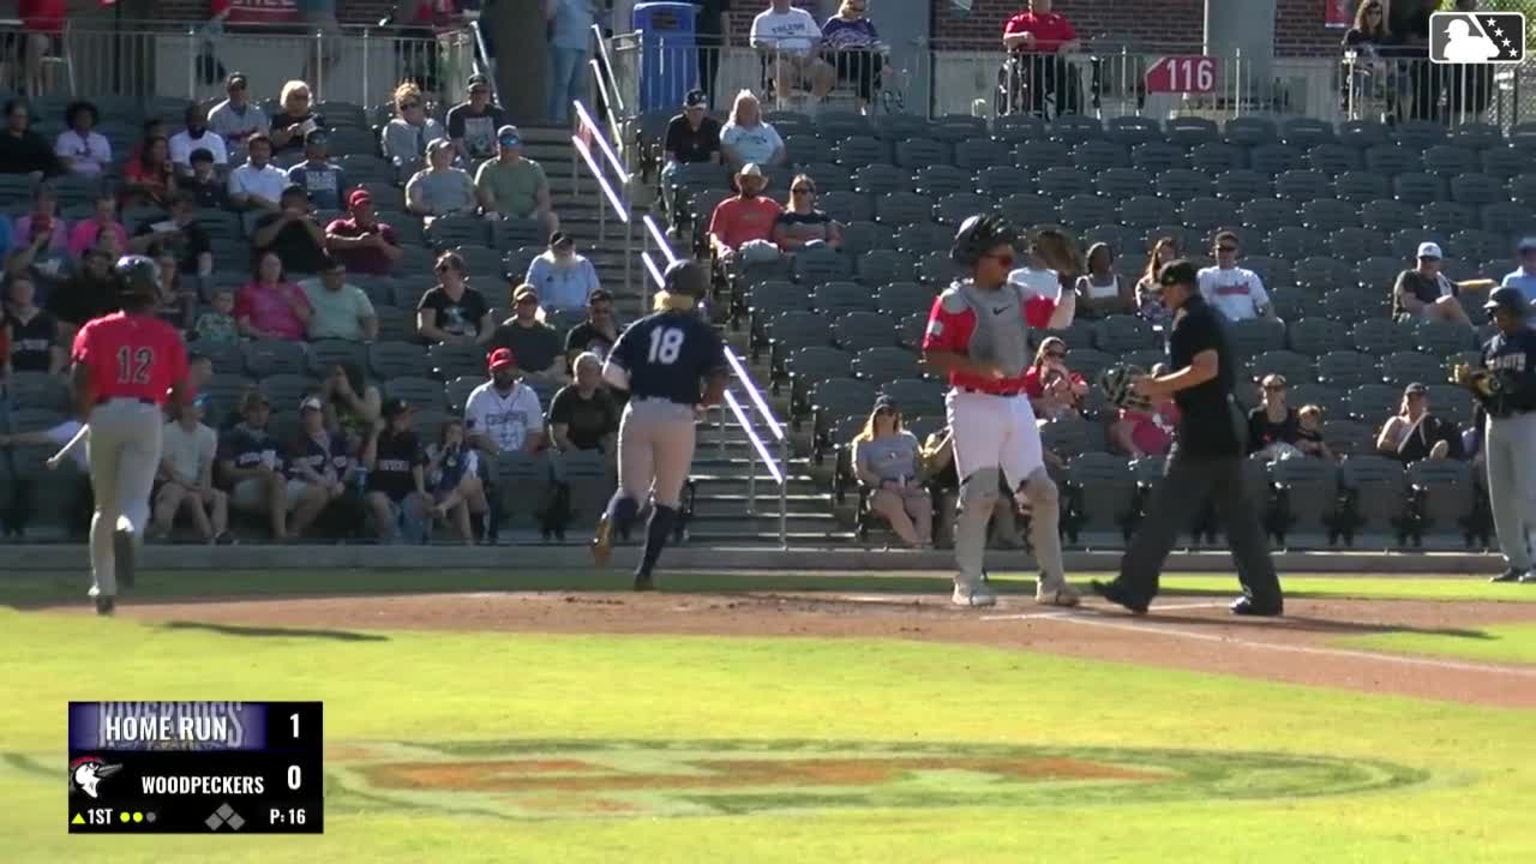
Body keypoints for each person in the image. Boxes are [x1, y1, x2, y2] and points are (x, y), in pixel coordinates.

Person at [1092, 260, 1284, 617]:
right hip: (1224, 422)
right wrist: (1161, 394)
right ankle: (1265, 595)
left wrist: (1156, 386)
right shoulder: (1209, 316)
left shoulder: (1190, 320)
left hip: (1204, 429)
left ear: (1179, 287)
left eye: (1164, 289)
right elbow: (1206, 379)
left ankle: (1134, 587)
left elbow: (1206, 368)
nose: (1162, 296)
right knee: (1240, 520)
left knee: (1166, 510)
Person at [920, 215, 1079, 608]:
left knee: (1042, 492)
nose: (1010, 265)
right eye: (1002, 258)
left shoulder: (1019, 295)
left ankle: (1052, 582)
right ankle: (968, 582)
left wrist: (1069, 282)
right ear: (977, 258)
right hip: (973, 401)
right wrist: (978, 367)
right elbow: (932, 355)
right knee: (980, 494)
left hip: (1015, 403)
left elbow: (1060, 319)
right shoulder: (955, 301)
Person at [592, 260, 728, 590]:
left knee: (630, 493)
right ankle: (644, 572)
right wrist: (703, 403)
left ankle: (610, 520)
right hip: (677, 416)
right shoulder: (702, 331)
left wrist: (637, 388)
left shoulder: (641, 326)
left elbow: (610, 373)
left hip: (638, 411)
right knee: (667, 499)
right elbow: (719, 380)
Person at [68, 256, 190, 614]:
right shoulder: (166, 334)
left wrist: (88, 414)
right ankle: (130, 532)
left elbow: (80, 380)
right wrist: (162, 403)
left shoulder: (95, 329)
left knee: (103, 506)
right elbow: (182, 393)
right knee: (134, 501)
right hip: (145, 412)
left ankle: (103, 589)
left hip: (103, 412)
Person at [1460, 288, 1536, 583]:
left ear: (1516, 311)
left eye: (1500, 310)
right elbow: (1486, 396)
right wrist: (1474, 384)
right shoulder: (1490, 346)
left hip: (1527, 419)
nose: (1494, 315)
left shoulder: (1532, 341)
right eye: (1493, 311)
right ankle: (1516, 561)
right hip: (1496, 423)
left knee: (1530, 493)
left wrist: (1513, 386)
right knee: (1501, 497)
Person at [851, 396, 931, 547]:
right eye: (880, 413)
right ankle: (916, 544)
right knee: (893, 503)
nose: (884, 417)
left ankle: (923, 543)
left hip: (909, 486)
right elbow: (861, 471)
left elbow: (922, 465)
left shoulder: (909, 439)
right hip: (881, 490)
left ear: (896, 416)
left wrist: (916, 482)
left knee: (923, 503)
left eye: (889, 413)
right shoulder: (863, 442)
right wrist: (885, 484)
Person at [152, 395, 231, 544]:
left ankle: (219, 534)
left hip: (194, 483)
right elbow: (170, 472)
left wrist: (204, 487)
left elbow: (206, 468)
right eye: (188, 405)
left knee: (219, 497)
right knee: (179, 493)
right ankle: (161, 532)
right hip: (168, 481)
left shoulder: (209, 435)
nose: (191, 409)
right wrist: (193, 488)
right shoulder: (166, 432)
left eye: (195, 406)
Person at [363, 397, 432, 544]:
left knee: (421, 502)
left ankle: (414, 548)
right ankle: (391, 549)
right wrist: (374, 435)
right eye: (401, 416)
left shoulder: (412, 438)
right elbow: (368, 466)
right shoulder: (376, 438)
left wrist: (421, 491)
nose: (406, 419)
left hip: (406, 491)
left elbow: (417, 465)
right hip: (379, 490)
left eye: (408, 416)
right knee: (379, 503)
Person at [474, 125, 559, 235]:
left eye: (512, 141)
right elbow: (488, 202)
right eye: (504, 141)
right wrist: (508, 215)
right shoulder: (487, 169)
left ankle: (553, 250)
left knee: (551, 218)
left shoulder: (533, 168)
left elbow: (544, 200)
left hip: (531, 217)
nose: (508, 146)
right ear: (497, 145)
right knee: (491, 217)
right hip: (502, 217)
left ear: (520, 145)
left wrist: (534, 215)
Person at [464, 347, 546, 457]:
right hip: (489, 459)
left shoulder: (528, 394)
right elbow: (476, 436)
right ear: (491, 371)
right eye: (499, 369)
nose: (504, 372)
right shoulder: (478, 396)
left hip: (524, 458)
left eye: (508, 368)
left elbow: (535, 432)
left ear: (516, 370)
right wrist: (501, 456)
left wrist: (520, 457)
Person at [750, 0, 836, 100]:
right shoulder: (762, 19)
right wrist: (788, 56)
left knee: (827, 71)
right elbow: (757, 44)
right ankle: (785, 107)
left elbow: (817, 40)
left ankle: (812, 106)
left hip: (808, 60)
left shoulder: (803, 15)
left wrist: (809, 58)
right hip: (781, 59)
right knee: (781, 71)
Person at [426, 418, 487, 544]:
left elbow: (468, 478)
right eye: (451, 433)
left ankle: (443, 508)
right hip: (440, 492)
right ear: (444, 434)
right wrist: (443, 453)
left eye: (459, 433)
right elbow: (426, 476)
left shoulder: (469, 454)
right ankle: (469, 546)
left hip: (470, 498)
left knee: (476, 482)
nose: (455, 437)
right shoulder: (433, 450)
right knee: (460, 500)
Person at [708, 163, 783, 263]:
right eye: (746, 181)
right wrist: (721, 248)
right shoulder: (725, 207)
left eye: (755, 182)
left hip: (767, 255)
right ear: (740, 183)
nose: (751, 185)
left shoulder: (772, 206)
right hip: (737, 256)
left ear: (760, 185)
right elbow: (716, 237)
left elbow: (786, 227)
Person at [491, 285, 567, 383]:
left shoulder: (549, 331)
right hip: (516, 381)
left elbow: (560, 362)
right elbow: (502, 363)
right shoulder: (504, 331)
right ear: (515, 304)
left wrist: (546, 374)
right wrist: (527, 376)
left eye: (532, 302)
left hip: (547, 379)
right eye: (524, 302)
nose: (528, 306)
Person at [548, 352, 621, 456]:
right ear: (580, 373)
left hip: (599, 454)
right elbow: (559, 436)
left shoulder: (604, 399)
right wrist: (581, 457)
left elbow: (612, 434)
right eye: (593, 371)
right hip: (569, 457)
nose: (599, 376)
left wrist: (604, 456)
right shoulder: (564, 398)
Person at [1392, 242, 1476, 326]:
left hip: (1431, 320)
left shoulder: (1441, 282)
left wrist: (1487, 283)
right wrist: (1440, 308)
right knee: (1449, 302)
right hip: (1409, 320)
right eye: (1424, 259)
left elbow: (1462, 287)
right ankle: (1473, 333)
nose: (1427, 262)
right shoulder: (1409, 276)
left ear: (1439, 262)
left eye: (1432, 259)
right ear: (1417, 259)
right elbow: (1409, 304)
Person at [417, 251, 493, 345]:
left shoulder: (475, 297)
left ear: (457, 271)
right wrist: (451, 339)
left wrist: (476, 343)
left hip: (471, 347)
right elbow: (425, 328)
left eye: (443, 268)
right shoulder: (432, 296)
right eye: (437, 269)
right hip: (443, 348)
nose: (439, 272)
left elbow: (488, 328)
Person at [252, 184, 330, 275]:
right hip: (279, 272)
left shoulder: (312, 221)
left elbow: (323, 242)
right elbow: (259, 242)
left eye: (303, 201)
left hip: (310, 271)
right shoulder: (268, 220)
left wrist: (304, 220)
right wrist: (283, 219)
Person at [1197, 231, 1274, 321]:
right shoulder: (1206, 275)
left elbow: (1264, 304)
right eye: (1221, 249)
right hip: (1220, 329)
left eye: (1229, 249)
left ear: (1236, 252)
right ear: (1214, 251)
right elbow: (1203, 306)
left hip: (1247, 327)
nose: (1225, 253)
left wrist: (1273, 321)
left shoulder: (1249, 276)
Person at [1375, 382, 1461, 462]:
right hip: (1405, 455)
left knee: (1448, 428)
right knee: (1426, 420)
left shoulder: (1431, 423)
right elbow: (1381, 443)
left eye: (1418, 399)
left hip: (1423, 454)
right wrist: (1405, 446)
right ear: (1405, 403)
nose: (1414, 403)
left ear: (1425, 402)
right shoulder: (1398, 421)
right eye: (1411, 399)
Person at [325, 189, 403, 276]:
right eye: (361, 208)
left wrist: (380, 243)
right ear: (352, 210)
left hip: (379, 280)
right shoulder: (340, 226)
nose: (365, 212)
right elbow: (326, 240)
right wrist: (358, 242)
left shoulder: (383, 230)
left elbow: (397, 255)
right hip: (350, 279)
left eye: (368, 207)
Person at [660, 89, 722, 199]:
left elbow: (715, 158)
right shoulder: (675, 125)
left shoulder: (712, 126)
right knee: (666, 173)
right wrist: (681, 168)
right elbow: (669, 156)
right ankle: (671, 211)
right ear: (685, 110)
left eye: (700, 109)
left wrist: (703, 169)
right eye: (692, 110)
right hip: (681, 167)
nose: (696, 113)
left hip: (705, 168)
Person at [299, 256, 378, 342]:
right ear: (321, 274)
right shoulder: (304, 288)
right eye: (332, 274)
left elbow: (369, 319)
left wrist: (370, 339)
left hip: (351, 341)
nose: (337, 279)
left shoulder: (356, 294)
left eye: (341, 273)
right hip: (317, 341)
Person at [380, 80, 448, 178]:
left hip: (437, 172)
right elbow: (397, 154)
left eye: (413, 105)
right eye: (404, 107)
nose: (409, 109)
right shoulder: (393, 128)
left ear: (421, 105)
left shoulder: (433, 126)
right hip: (409, 173)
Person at [237, 252, 312, 341]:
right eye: (268, 265)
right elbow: (243, 325)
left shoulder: (294, 289)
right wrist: (262, 335)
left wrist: (291, 300)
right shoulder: (248, 291)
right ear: (259, 268)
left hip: (294, 340)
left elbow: (307, 319)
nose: (272, 269)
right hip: (262, 341)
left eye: (276, 265)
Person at [1109, 363, 1179, 458]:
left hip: (1165, 455)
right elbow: (1124, 434)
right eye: (1158, 378)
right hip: (1142, 458)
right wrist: (1137, 452)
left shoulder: (1172, 405)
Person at [546, 0, 597, 125]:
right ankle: (557, 119)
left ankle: (574, 120)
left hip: (583, 44)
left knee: (578, 87)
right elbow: (548, 13)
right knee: (562, 83)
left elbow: (596, 11)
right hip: (564, 43)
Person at [524, 232, 601, 312]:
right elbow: (530, 292)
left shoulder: (584, 264)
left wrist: (585, 308)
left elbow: (595, 291)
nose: (565, 250)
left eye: (568, 245)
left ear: (573, 247)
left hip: (580, 316)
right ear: (551, 247)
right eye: (560, 246)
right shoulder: (540, 263)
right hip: (548, 316)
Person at [405, 139, 479, 219]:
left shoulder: (463, 175)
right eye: (442, 152)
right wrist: (433, 210)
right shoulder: (420, 178)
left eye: (449, 151)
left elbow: (473, 199)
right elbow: (414, 204)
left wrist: (465, 210)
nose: (447, 154)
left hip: (463, 218)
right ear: (431, 155)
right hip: (435, 220)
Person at [5, 275, 63, 375]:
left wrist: (51, 378)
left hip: (43, 376)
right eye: (18, 289)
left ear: (34, 291)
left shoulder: (47, 319)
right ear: (11, 293)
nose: (22, 292)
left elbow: (56, 353)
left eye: (26, 289)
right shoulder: (5, 320)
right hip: (14, 378)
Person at [718, 90, 786, 171]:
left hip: (767, 170)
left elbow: (780, 150)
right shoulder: (729, 129)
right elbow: (727, 150)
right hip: (741, 172)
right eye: (744, 109)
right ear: (737, 111)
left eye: (751, 109)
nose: (748, 112)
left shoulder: (768, 129)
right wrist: (747, 169)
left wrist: (769, 168)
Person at [771, 174, 841, 251]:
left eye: (803, 191)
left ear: (812, 194)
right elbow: (780, 239)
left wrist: (824, 247)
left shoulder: (822, 217)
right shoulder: (785, 217)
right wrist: (805, 246)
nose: (798, 195)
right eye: (795, 191)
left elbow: (835, 239)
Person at [445, 73, 506, 162]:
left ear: (488, 93)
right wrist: (469, 160)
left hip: (492, 158)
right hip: (465, 159)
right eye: (475, 91)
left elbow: (501, 138)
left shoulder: (497, 113)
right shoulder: (456, 114)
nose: (479, 95)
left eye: (483, 91)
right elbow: (457, 143)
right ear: (468, 93)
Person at [286, 130, 349, 212]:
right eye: (317, 141)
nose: (321, 146)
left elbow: (346, 199)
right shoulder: (297, 172)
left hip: (334, 217)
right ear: (307, 145)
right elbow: (291, 200)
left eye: (324, 141)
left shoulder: (338, 172)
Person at [227, 134, 289, 212]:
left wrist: (256, 199)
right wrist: (260, 202)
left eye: (265, 150)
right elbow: (236, 202)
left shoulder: (281, 174)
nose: (261, 154)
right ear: (249, 151)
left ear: (270, 152)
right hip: (249, 217)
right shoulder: (236, 174)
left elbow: (288, 200)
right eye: (257, 149)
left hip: (279, 216)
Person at [207, 72, 271, 147]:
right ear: (227, 90)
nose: (238, 92)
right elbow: (215, 142)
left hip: (252, 156)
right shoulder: (217, 114)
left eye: (242, 87)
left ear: (247, 90)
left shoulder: (257, 113)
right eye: (234, 88)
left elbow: (264, 139)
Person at [1074, 241, 1134, 318]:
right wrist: (1113, 301)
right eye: (1100, 256)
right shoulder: (1083, 282)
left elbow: (1126, 301)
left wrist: (1096, 303)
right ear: (1092, 260)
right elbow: (1085, 303)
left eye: (1106, 256)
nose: (1103, 259)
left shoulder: (1120, 281)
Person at [1247, 374, 1301, 457]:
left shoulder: (1294, 414)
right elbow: (1258, 441)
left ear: (1283, 391)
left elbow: (1297, 440)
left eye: (1277, 389)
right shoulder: (1256, 415)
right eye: (1268, 388)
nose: (1272, 392)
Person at [564, 289, 621, 366]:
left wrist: (613, 339)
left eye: (606, 311)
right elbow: (577, 365)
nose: (601, 316)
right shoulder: (577, 334)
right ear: (589, 310)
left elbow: (624, 363)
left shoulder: (620, 334)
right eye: (597, 311)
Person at [54, 101, 112, 176]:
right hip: (73, 178)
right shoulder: (64, 138)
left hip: (97, 178)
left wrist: (100, 176)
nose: (84, 120)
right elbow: (64, 165)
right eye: (80, 117)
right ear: (73, 119)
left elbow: (106, 164)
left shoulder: (101, 139)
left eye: (87, 117)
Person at [169, 102, 228, 174]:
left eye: (201, 119)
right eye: (193, 119)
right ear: (186, 121)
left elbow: (220, 168)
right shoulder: (176, 141)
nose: (197, 123)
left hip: (211, 183)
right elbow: (179, 170)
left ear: (206, 121)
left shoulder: (216, 140)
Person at [1135, 235, 1180, 328]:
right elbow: (1145, 310)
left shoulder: (1183, 283)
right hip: (1152, 327)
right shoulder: (1145, 283)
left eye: (1169, 253)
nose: (1166, 257)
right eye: (1162, 253)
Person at [1499, 237, 1536, 307]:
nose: (1534, 263)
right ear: (1521, 259)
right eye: (1530, 259)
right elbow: (1503, 305)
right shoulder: (1511, 280)